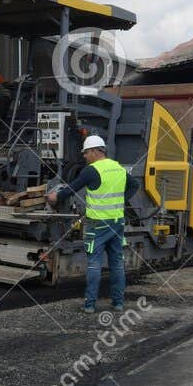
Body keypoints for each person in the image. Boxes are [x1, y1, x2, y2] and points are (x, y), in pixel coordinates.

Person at [49, 134, 127, 314]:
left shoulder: (92, 171)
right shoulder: (119, 169)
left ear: (93, 151)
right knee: (116, 264)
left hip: (97, 224)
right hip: (117, 223)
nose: (83, 156)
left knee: (94, 264)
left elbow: (71, 188)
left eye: (85, 152)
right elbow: (134, 186)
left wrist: (55, 196)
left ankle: (90, 304)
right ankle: (118, 303)